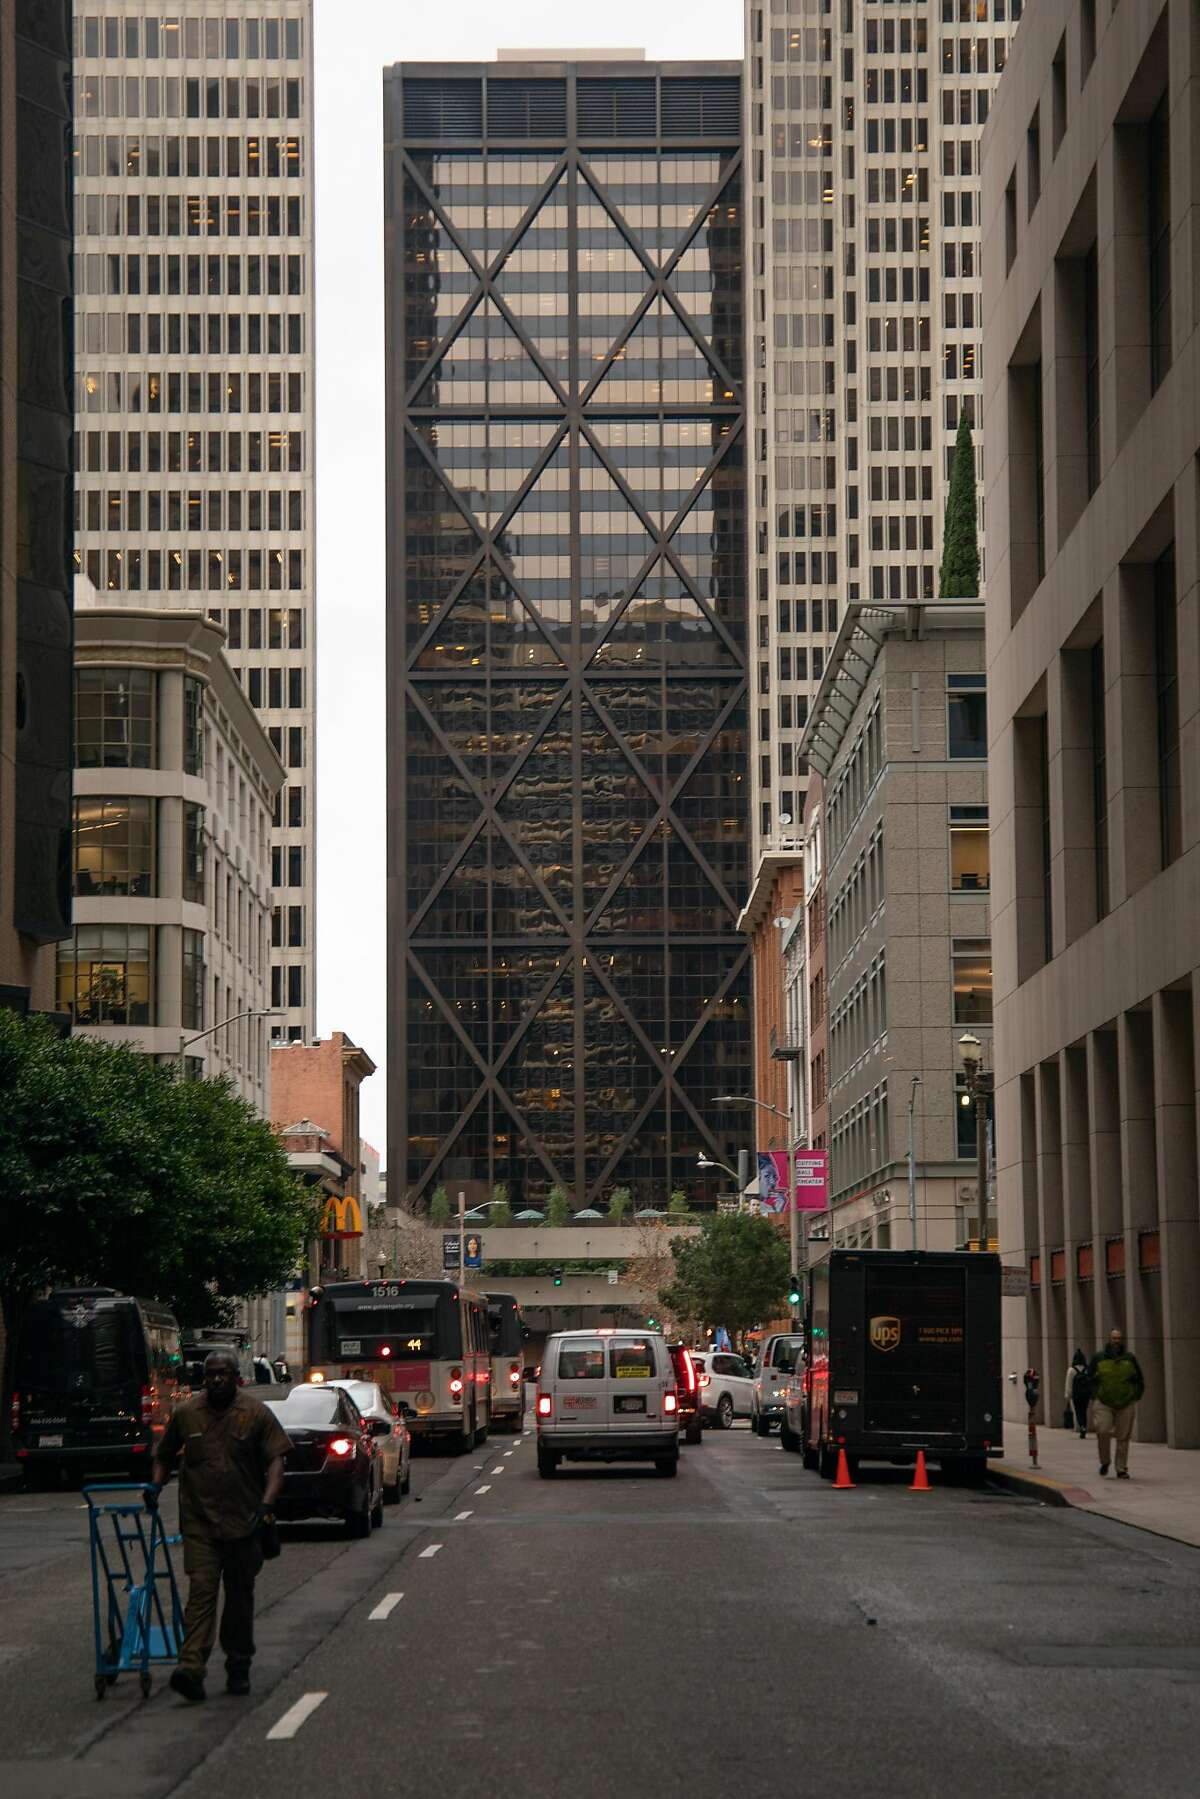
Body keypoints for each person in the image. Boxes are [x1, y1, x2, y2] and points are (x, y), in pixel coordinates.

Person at [151, 1347, 290, 1702]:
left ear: (236, 1378)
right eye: (210, 1374)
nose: (215, 1380)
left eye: (223, 1374)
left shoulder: (255, 1414)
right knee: (201, 1592)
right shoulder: (186, 1414)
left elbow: (276, 1462)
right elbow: (165, 1455)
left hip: (244, 1525)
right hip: (200, 1525)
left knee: (239, 1600)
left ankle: (238, 1664)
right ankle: (191, 1668)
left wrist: (266, 1504)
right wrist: (155, 1485)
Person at [1087, 1329, 1145, 1479]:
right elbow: (1089, 1378)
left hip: (1126, 1402)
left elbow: (1139, 1379)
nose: (1116, 1341)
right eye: (1114, 1338)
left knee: (1123, 1436)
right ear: (1109, 1339)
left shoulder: (1130, 1358)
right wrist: (1094, 1395)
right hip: (1103, 1401)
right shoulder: (1098, 1358)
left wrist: (1135, 1395)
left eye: (1119, 1338)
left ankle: (1121, 1468)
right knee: (1103, 1430)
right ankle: (1105, 1461)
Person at [1065, 1348, 1091, 1438]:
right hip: (1086, 1395)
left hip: (1076, 1395)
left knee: (1078, 1411)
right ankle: (1084, 1425)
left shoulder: (1071, 1370)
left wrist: (1068, 1396)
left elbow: (1069, 1383)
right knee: (1084, 1411)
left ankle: (1082, 1426)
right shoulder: (1087, 1369)